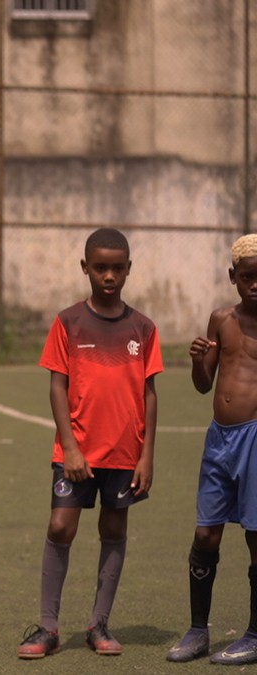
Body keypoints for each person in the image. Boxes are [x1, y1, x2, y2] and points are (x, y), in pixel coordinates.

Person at [17, 227, 162, 659]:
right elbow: (57, 388)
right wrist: (72, 447)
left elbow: (150, 394)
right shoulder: (67, 322)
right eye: (100, 267)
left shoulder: (144, 328)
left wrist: (147, 455)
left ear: (129, 270)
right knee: (60, 526)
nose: (109, 276)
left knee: (113, 528)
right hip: (76, 454)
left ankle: (99, 624)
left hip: (124, 453)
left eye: (117, 268)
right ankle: (47, 627)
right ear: (86, 268)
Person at [167, 234, 257, 664]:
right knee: (206, 532)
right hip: (220, 439)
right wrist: (198, 359)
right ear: (232, 278)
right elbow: (204, 385)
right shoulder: (220, 319)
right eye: (247, 277)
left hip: (256, 439)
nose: (255, 285)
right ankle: (197, 630)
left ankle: (255, 634)